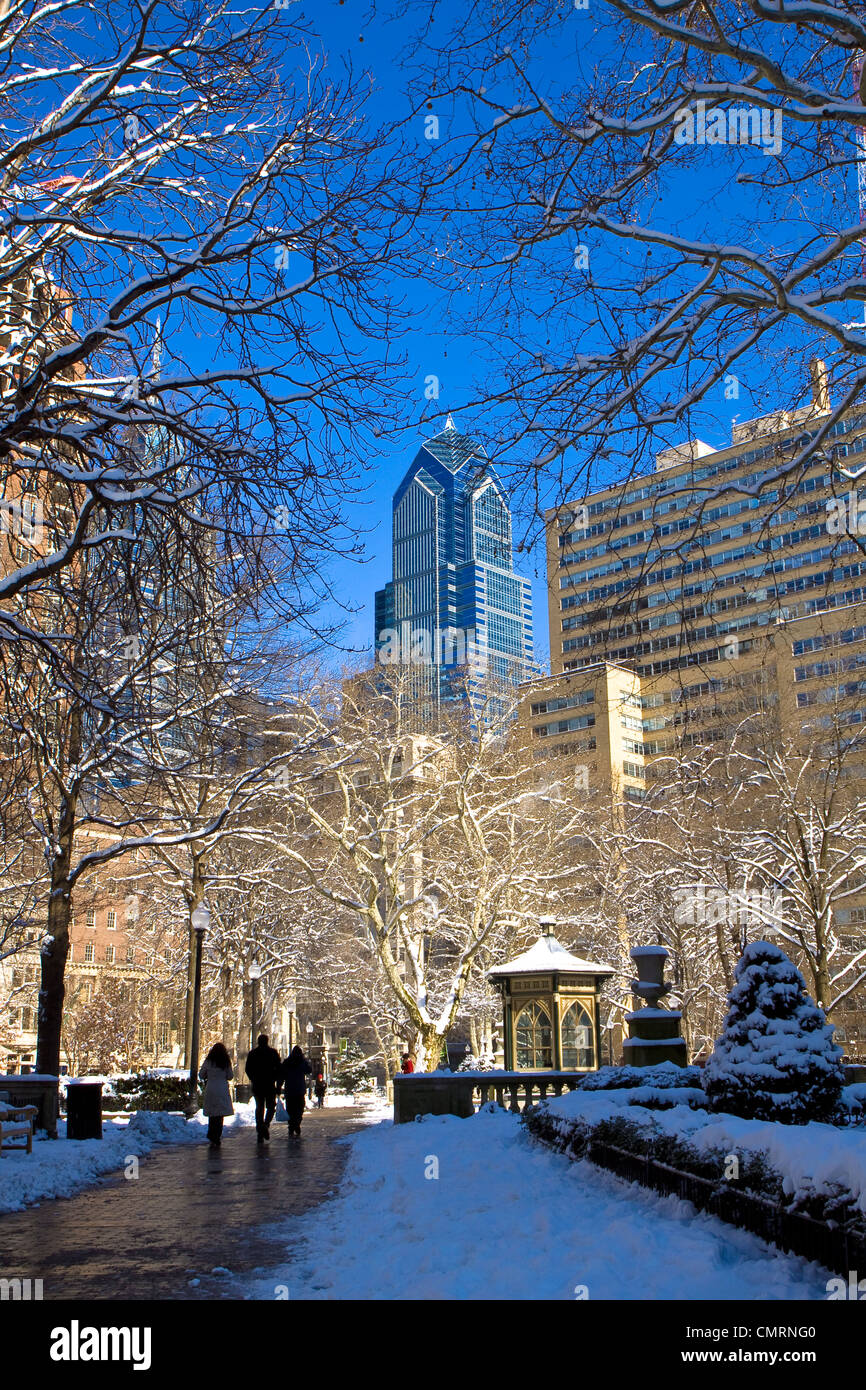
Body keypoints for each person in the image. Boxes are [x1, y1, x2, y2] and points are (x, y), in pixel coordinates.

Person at [245, 1033, 282, 1142]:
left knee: (259, 1107)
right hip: (269, 1084)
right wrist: (276, 1081)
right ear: (267, 1041)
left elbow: (248, 1069)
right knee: (271, 1107)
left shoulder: (253, 1054)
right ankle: (265, 1125)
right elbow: (279, 1069)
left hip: (258, 1084)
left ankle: (260, 1127)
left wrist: (253, 1078)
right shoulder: (273, 1053)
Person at [199, 1042, 234, 1147]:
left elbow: (201, 1074)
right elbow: (230, 1076)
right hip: (222, 1089)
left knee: (212, 1114)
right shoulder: (225, 1062)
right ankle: (217, 1136)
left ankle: (211, 1134)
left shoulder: (208, 1062)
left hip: (211, 1088)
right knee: (220, 1115)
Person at [279, 1045, 312, 1137]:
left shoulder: (287, 1062)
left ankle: (291, 1125)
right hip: (299, 1090)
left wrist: (279, 1086)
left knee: (290, 1109)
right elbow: (309, 1070)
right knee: (299, 1109)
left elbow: (282, 1075)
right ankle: (296, 1123)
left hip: (289, 1090)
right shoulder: (302, 1062)